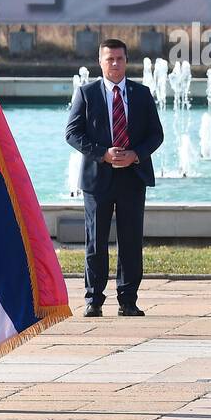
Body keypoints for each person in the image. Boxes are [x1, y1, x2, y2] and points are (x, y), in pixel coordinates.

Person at [65, 39, 164, 318]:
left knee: (131, 241)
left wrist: (136, 154)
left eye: (120, 59)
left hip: (133, 177)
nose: (116, 64)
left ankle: (128, 300)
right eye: (110, 59)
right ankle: (93, 299)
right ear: (100, 62)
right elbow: (72, 133)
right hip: (98, 179)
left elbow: (156, 135)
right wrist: (102, 154)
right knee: (95, 241)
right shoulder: (86, 94)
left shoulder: (141, 94)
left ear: (126, 60)